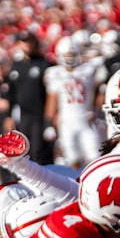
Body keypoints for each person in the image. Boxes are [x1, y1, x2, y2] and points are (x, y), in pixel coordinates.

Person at [44, 35, 104, 168]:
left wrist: (96, 111)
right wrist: (48, 124)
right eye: (67, 55)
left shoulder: (89, 70)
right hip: (66, 122)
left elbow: (99, 92)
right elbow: (52, 100)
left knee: (95, 156)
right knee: (72, 158)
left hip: (86, 119)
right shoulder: (55, 73)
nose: (70, 58)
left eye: (72, 55)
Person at [3, 30, 54, 166]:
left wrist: (51, 117)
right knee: (23, 151)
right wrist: (8, 116)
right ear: (19, 44)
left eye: (30, 42)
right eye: (24, 42)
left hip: (40, 114)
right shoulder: (16, 65)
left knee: (38, 151)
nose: (27, 45)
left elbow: (51, 93)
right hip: (23, 115)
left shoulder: (44, 63)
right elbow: (11, 94)